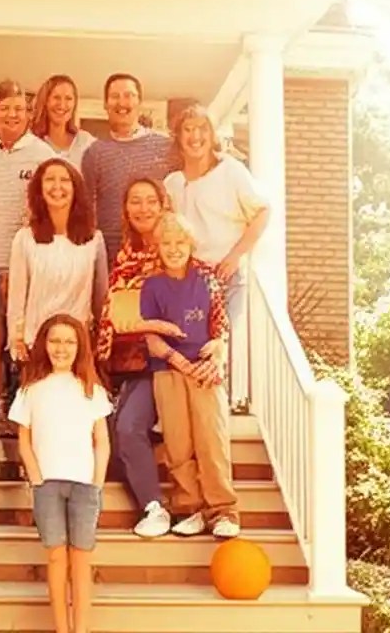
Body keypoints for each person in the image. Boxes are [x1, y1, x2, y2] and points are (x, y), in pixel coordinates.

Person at [139, 212, 240, 539]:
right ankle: (190, 508)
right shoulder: (151, 285)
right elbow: (151, 338)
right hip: (168, 370)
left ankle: (223, 510)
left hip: (205, 370)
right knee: (178, 442)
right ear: (158, 246)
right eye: (166, 242)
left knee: (211, 439)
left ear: (191, 244)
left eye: (180, 242)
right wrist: (181, 363)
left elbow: (220, 325)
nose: (173, 248)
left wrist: (219, 352)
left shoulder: (207, 278)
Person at [9, 314, 111, 633]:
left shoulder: (92, 390)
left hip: (84, 484)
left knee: (81, 559)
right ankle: (61, 628)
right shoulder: (31, 388)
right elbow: (24, 440)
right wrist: (36, 479)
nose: (61, 348)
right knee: (56, 557)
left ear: (80, 347)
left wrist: (97, 482)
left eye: (69, 341)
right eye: (55, 340)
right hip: (47, 485)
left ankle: (80, 629)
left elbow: (102, 442)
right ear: (44, 344)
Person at [161, 104, 269, 391]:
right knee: (193, 356)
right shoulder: (172, 184)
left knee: (222, 351)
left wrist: (236, 256)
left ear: (212, 134)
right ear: (178, 136)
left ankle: (227, 413)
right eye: (188, 129)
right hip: (190, 283)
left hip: (226, 277)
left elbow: (262, 213)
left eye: (202, 129)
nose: (195, 136)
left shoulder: (231, 171)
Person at [0, 79, 58, 397]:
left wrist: (19, 268)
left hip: (29, 266)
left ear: (28, 114)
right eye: (5, 108)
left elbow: (50, 209)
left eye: (19, 109)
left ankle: (27, 416)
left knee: (28, 345)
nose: (12, 115)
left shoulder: (43, 154)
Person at [7, 158, 107, 362]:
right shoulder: (25, 239)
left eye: (65, 180)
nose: (57, 186)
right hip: (35, 344)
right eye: (50, 179)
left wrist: (99, 343)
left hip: (77, 346)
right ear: (39, 189)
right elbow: (17, 297)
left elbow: (101, 299)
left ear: (76, 188)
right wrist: (16, 340)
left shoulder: (94, 240)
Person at [80, 73, 175, 257]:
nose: (121, 103)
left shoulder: (166, 147)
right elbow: (86, 210)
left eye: (129, 95)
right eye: (115, 96)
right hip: (112, 254)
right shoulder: (94, 153)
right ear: (105, 104)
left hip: (158, 254)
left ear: (139, 102)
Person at [31, 74, 97, 170]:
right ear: (45, 101)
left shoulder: (86, 142)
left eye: (68, 98)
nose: (62, 105)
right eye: (56, 97)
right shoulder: (31, 143)